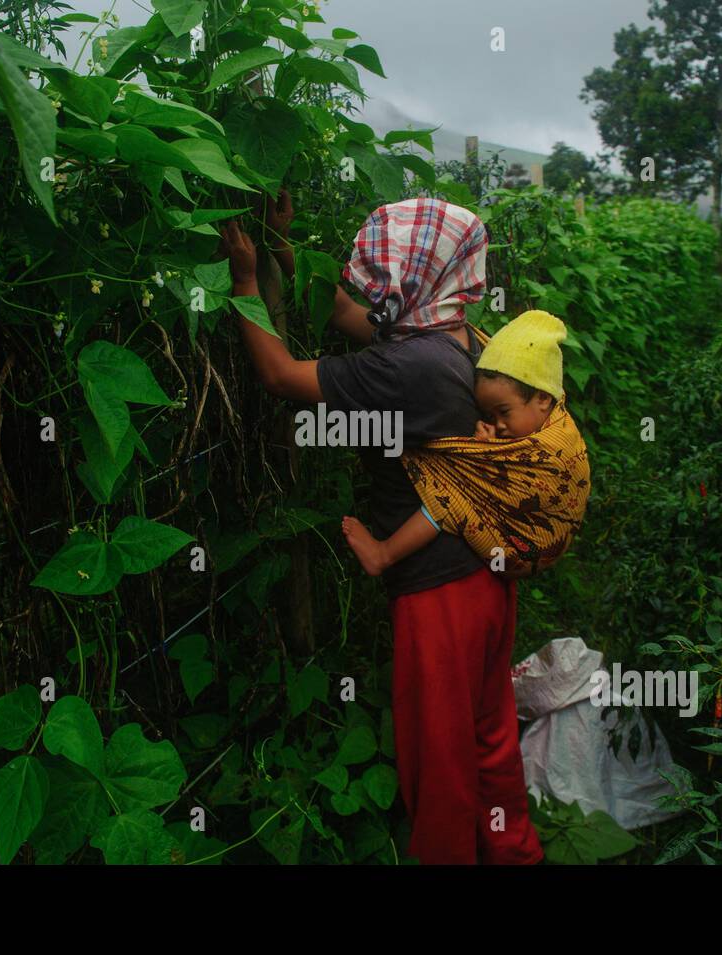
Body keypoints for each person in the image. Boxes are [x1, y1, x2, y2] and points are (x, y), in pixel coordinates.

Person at [219, 190, 544, 865]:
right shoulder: (460, 339)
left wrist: (246, 280)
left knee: (439, 764)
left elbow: (278, 374)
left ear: (404, 275)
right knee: (488, 741)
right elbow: (344, 313)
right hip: (486, 584)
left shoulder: (405, 367)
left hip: (437, 595)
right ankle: (516, 854)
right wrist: (284, 243)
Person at [341, 309, 568, 577]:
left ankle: (383, 555)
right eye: (490, 415)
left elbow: (514, 485)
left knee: (451, 499)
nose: (498, 425)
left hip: (521, 545)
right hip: (497, 570)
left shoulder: (555, 441)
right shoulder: (536, 414)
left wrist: (486, 455)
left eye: (504, 412)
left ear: (543, 399)